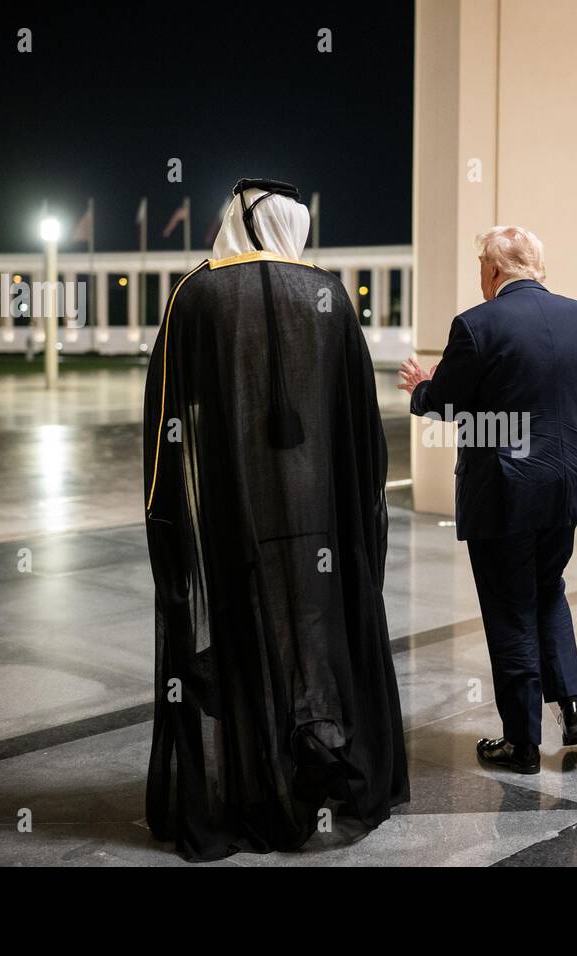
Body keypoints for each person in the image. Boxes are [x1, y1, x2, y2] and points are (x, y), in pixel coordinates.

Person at [142, 178, 409, 860]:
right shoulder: (327, 293)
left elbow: (173, 417)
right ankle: (315, 758)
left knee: (245, 635)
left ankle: (256, 780)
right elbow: (360, 428)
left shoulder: (197, 293)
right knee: (313, 637)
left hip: (239, 512)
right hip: (320, 515)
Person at [398, 226, 577, 774]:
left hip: (506, 491)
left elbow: (446, 404)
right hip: (568, 482)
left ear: (493, 271)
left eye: (480, 268)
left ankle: (521, 742)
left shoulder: (476, 323)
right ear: (537, 266)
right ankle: (572, 706)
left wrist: (422, 389)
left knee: (509, 606)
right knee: (548, 590)